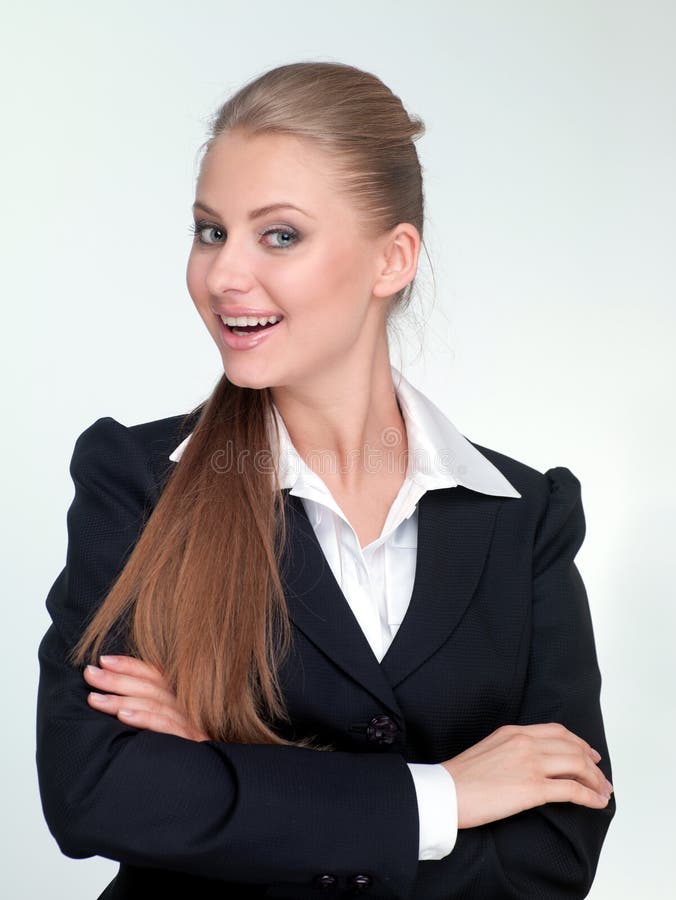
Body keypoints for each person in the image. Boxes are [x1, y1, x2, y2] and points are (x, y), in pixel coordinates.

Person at [36, 60, 615, 899]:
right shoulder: (135, 482)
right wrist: (447, 793)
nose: (223, 275)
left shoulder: (525, 517)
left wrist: (222, 776)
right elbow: (97, 793)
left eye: (279, 235)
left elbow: (554, 853)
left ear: (392, 259)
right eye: (209, 230)